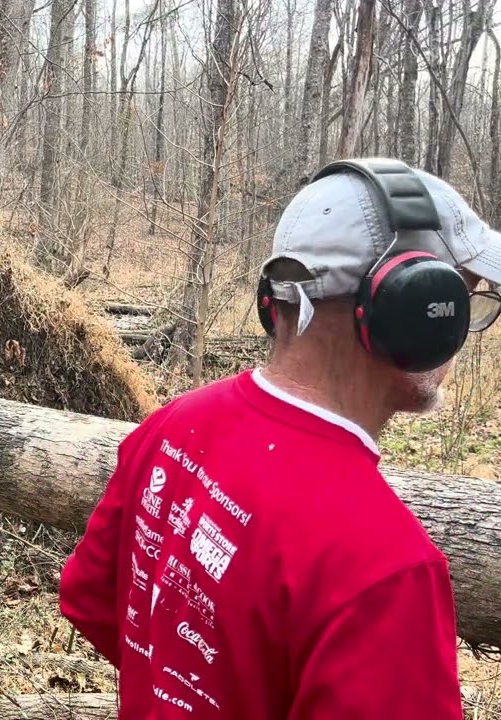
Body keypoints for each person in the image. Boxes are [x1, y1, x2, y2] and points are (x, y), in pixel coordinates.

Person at [58, 158, 501, 719]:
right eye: (462, 302)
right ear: (414, 309)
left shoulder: (174, 425)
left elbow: (93, 601)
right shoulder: (388, 572)